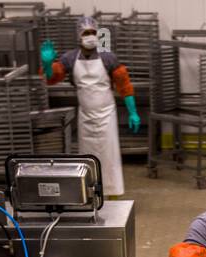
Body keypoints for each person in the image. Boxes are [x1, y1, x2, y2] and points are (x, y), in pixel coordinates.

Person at [40, 16, 141, 197]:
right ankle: (90, 193)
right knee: (88, 157)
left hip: (106, 114)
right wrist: (47, 65)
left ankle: (113, 194)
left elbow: (124, 86)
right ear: (79, 36)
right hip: (86, 115)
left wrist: (133, 112)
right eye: (86, 33)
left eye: (93, 32)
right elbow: (51, 78)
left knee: (109, 157)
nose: (90, 36)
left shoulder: (108, 58)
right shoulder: (70, 58)